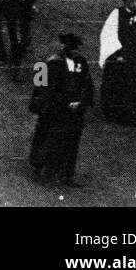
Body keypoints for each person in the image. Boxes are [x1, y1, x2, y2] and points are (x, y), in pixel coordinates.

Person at [29, 32, 94, 187]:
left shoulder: (81, 62)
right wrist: (56, 104)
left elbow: (87, 85)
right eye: (71, 48)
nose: (75, 51)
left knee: (72, 142)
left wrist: (81, 102)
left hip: (75, 110)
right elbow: (43, 88)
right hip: (56, 109)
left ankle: (66, 174)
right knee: (50, 139)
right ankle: (41, 167)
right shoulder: (52, 63)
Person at [98, 0, 136, 125]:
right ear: (125, 2)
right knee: (120, 85)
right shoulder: (116, 14)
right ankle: (117, 114)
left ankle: (135, 115)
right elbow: (108, 34)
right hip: (122, 56)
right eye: (131, 1)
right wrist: (117, 54)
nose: (134, 4)